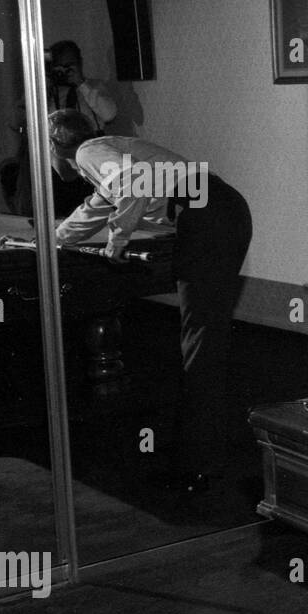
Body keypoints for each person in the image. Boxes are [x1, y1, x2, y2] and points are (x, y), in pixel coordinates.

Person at [48, 109, 253, 497]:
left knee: (201, 346)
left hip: (207, 215)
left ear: (55, 146)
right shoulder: (102, 156)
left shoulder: (90, 150)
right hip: (218, 210)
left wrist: (118, 239)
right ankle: (201, 460)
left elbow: (131, 182)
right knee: (203, 343)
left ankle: (198, 468)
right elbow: (94, 208)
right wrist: (55, 237)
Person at [45, 41, 118, 217]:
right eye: (59, 67)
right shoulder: (46, 92)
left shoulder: (93, 87)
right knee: (62, 213)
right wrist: (45, 89)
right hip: (59, 160)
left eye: (70, 65)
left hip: (92, 158)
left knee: (95, 211)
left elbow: (109, 114)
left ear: (80, 63)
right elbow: (23, 122)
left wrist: (81, 84)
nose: (64, 71)